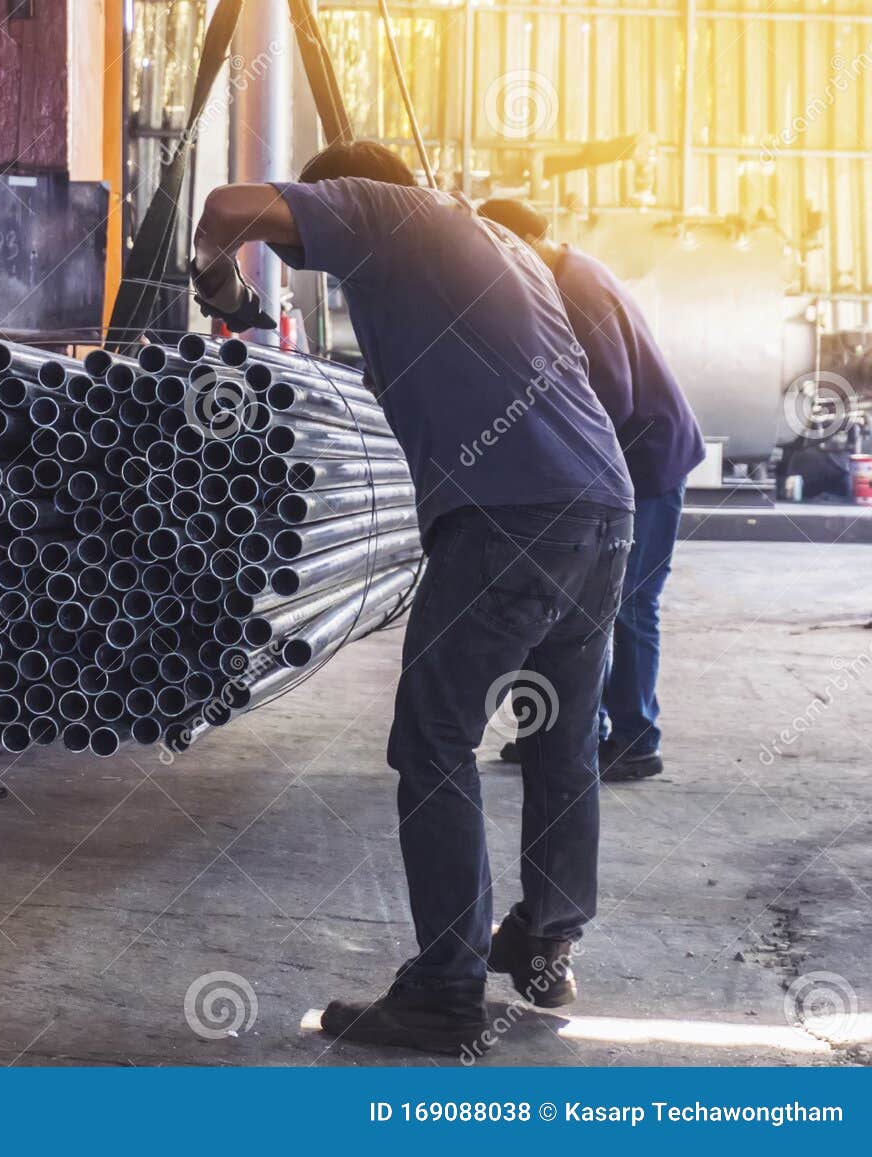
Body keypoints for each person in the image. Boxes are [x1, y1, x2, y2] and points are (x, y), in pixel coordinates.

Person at [190, 142, 633, 1056]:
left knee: (433, 735)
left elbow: (226, 206)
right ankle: (546, 945)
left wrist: (217, 282)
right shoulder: (491, 247)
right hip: (601, 510)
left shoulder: (383, 211)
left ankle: (443, 991)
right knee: (561, 734)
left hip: (510, 517)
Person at [479, 199, 704, 782]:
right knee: (570, 604)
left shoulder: (577, 287)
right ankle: (561, 732)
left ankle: (636, 739)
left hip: (647, 465)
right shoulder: (559, 275)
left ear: (520, 244)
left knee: (628, 604)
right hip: (615, 467)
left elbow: (612, 399)